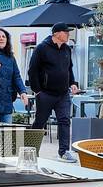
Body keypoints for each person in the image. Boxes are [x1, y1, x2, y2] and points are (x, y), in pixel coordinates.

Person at [28, 23, 81, 161]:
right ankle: (30, 149)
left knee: (64, 121)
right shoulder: (41, 48)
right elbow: (32, 71)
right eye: (66, 32)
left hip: (63, 94)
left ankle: (64, 151)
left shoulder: (67, 49)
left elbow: (69, 69)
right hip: (45, 94)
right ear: (56, 33)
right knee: (40, 122)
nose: (69, 34)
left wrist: (73, 83)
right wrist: (37, 91)